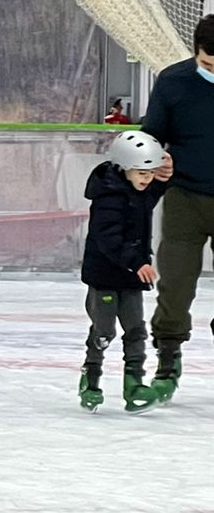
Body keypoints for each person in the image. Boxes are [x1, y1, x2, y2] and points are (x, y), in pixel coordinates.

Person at [143, 13, 214, 402]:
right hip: (185, 199)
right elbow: (151, 137)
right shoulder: (173, 82)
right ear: (195, 54)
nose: (213, 71)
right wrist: (156, 159)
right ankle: (168, 359)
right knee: (175, 284)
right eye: (207, 65)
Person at [78, 130, 171, 413]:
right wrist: (137, 262)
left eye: (150, 173)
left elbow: (155, 188)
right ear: (124, 168)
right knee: (104, 331)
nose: (147, 179)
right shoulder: (108, 197)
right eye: (142, 173)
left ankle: (134, 385)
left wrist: (167, 171)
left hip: (130, 277)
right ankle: (91, 378)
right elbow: (108, 239)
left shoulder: (139, 189)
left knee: (136, 330)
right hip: (105, 277)